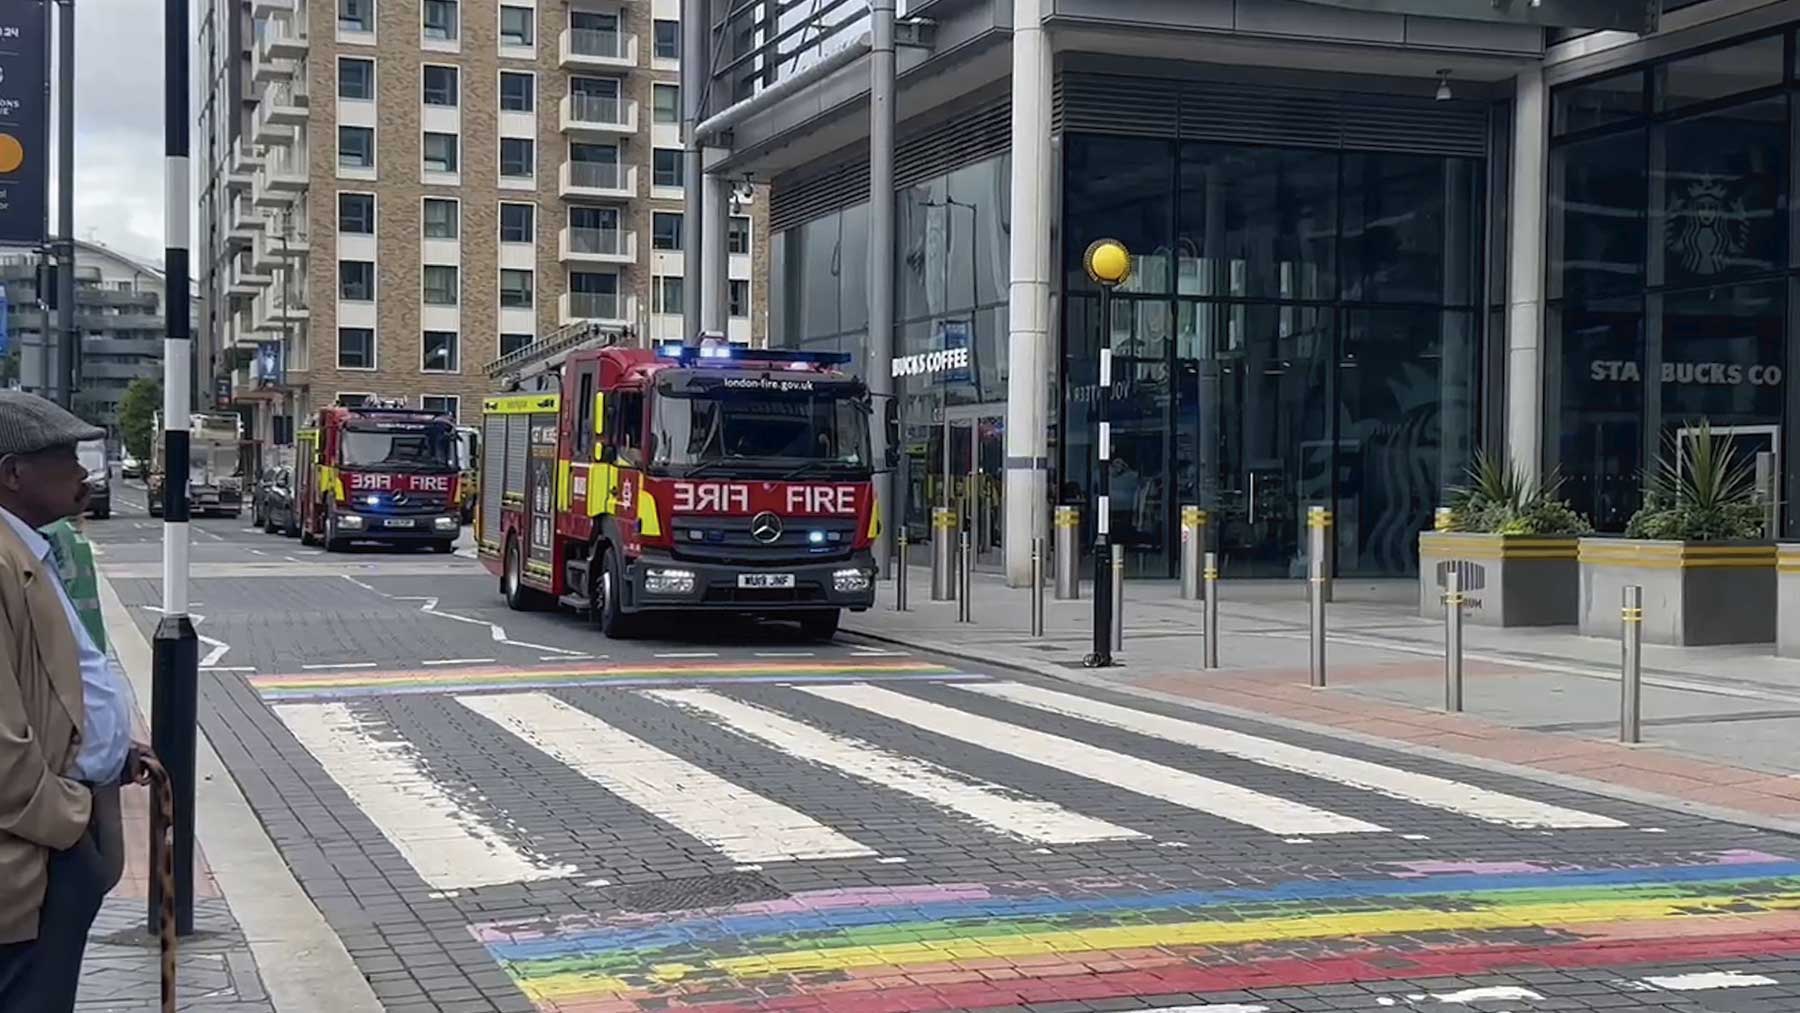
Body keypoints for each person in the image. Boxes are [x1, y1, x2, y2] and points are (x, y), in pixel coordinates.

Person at [0, 391, 141, 1012]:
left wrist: (108, 747)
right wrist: (70, 822)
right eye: (65, 457)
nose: (84, 472)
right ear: (13, 473)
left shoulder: (30, 548)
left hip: (47, 846)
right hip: (30, 858)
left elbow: (50, 682)